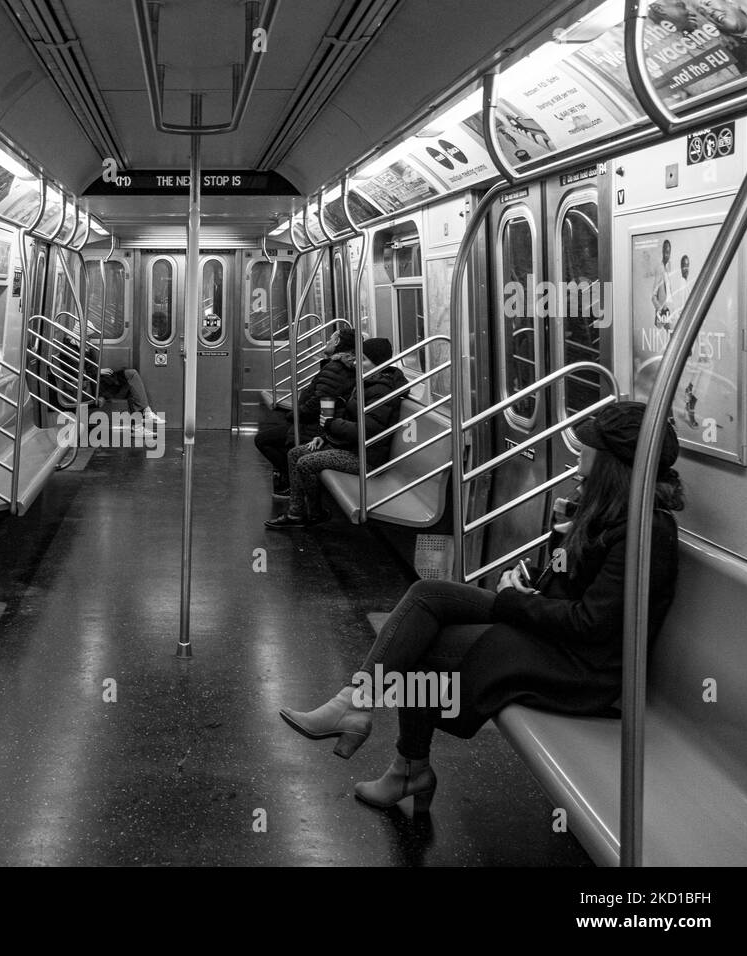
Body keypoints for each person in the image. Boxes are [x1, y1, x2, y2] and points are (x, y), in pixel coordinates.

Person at [277, 402, 684, 812]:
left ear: (614, 460)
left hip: (582, 669)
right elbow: (569, 589)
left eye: (589, 444)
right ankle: (357, 705)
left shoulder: (646, 532)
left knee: (424, 650)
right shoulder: (606, 511)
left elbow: (591, 623)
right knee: (428, 596)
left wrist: (515, 601)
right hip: (557, 637)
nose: (579, 451)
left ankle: (406, 765)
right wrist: (550, 552)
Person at [264, 338, 408, 528]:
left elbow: (366, 431)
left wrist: (331, 425)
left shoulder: (381, 392)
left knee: (306, 462)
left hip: (366, 457)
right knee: (295, 453)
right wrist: (324, 437)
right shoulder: (366, 383)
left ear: (378, 363)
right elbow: (349, 419)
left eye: (363, 359)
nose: (357, 363)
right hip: (350, 447)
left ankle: (315, 514)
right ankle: (296, 513)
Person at [254, 328, 357, 496]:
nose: (327, 342)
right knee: (274, 434)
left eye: (331, 339)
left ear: (337, 342)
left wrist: (295, 415)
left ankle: (292, 481)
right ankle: (289, 481)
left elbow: (319, 403)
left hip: (315, 426)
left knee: (263, 440)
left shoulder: (336, 369)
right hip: (316, 422)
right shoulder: (337, 367)